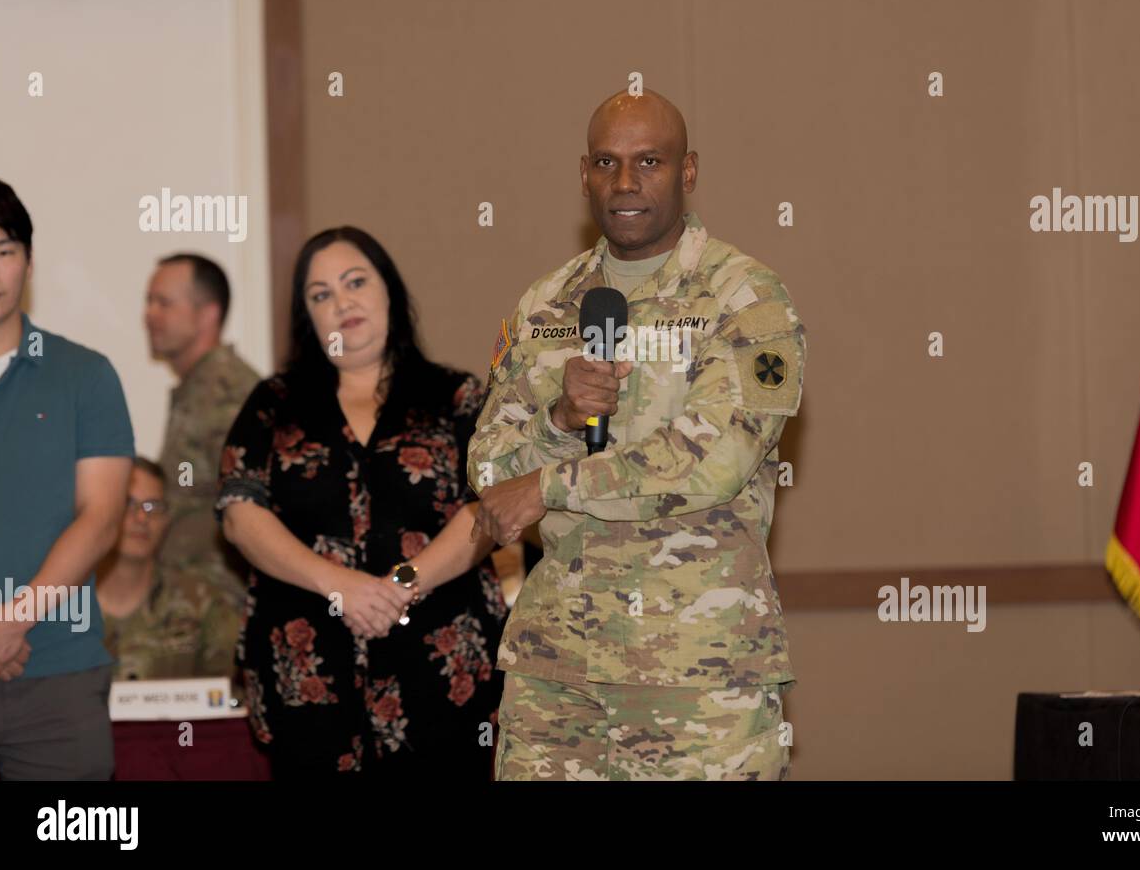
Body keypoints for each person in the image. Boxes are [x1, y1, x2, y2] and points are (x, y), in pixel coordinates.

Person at [469, 89, 806, 780]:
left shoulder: (745, 298)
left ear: (688, 171)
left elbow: (712, 462)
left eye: (649, 161)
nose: (625, 181)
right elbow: (491, 472)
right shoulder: (545, 306)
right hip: (556, 672)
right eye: (606, 162)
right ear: (584, 175)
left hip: (696, 673)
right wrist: (558, 422)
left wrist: (550, 485)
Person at [216, 226, 507, 777]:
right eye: (320, 294)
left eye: (355, 282)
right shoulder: (273, 404)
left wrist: (402, 584)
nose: (342, 302)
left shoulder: (457, 397)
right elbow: (239, 512)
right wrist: (339, 585)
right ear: (307, 316)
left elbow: (491, 507)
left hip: (442, 679)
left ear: (389, 290)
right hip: (309, 683)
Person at [0, 177, 134, 779]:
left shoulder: (83, 375)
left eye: (4, 251)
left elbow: (100, 518)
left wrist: (12, 620)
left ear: (28, 261)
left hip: (57, 670)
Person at [145, 253, 259, 611]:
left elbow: (255, 509)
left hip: (221, 608)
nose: (150, 314)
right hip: (192, 605)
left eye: (164, 303)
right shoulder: (200, 388)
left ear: (208, 315)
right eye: (149, 302)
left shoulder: (228, 392)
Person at [98, 457, 241, 684]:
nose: (142, 518)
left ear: (166, 520)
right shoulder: (58, 604)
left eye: (153, 506)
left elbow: (228, 695)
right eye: (128, 503)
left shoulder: (203, 604)